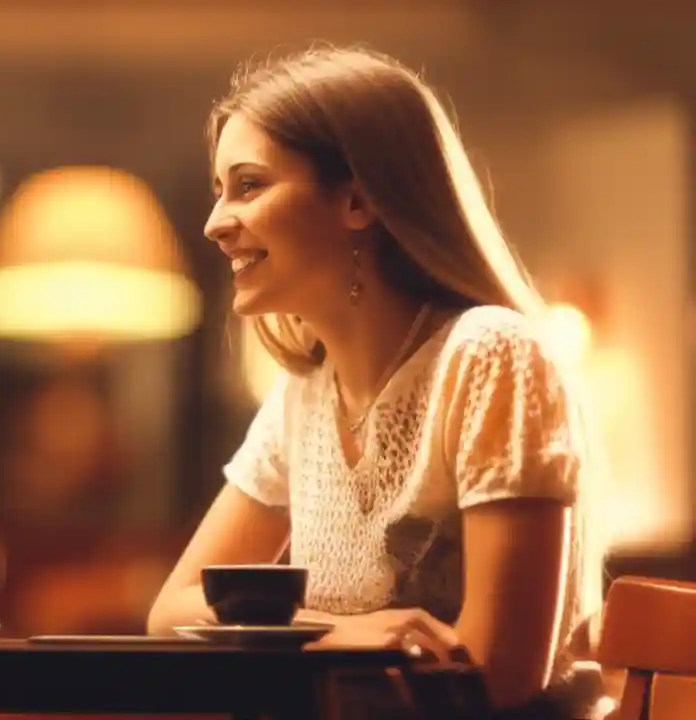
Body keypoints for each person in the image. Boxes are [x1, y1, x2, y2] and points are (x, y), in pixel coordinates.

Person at [147, 47, 601, 714]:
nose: (215, 223)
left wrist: (307, 644)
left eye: (248, 185)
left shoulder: (490, 355)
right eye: (219, 191)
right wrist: (339, 635)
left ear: (358, 199)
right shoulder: (302, 397)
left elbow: (497, 675)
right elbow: (173, 611)